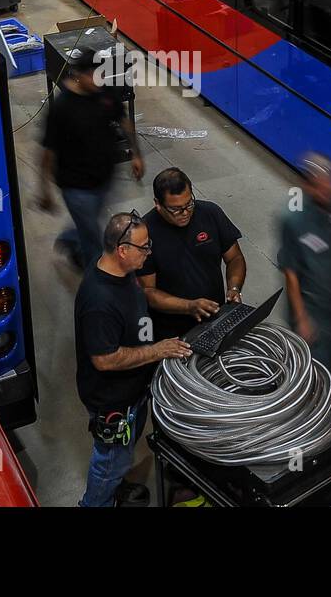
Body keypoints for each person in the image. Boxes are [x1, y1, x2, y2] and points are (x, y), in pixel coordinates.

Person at [74, 211, 191, 507]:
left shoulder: (121, 271)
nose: (150, 252)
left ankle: (114, 488)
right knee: (110, 463)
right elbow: (104, 359)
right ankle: (96, 503)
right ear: (122, 250)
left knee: (121, 457)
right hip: (114, 402)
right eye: (144, 247)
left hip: (134, 392)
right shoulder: (99, 301)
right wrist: (157, 350)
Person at [37, 47, 144, 269]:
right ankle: (96, 277)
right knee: (94, 241)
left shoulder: (103, 92)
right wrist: (44, 190)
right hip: (76, 187)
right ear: (78, 74)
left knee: (89, 225)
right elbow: (48, 152)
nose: (98, 80)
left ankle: (70, 238)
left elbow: (123, 119)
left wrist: (136, 154)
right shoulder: (62, 108)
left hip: (105, 177)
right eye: (92, 75)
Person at [277, 154, 331, 395]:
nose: (328, 193)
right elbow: (290, 272)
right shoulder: (294, 219)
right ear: (307, 186)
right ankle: (316, 420)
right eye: (321, 188)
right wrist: (302, 317)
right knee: (318, 374)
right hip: (313, 309)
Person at [138, 167, 246, 342]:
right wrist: (189, 306)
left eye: (189, 204)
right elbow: (148, 291)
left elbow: (234, 258)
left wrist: (234, 288)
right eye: (176, 209)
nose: (185, 212)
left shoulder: (210, 213)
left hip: (214, 317)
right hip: (172, 331)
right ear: (158, 204)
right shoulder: (145, 234)